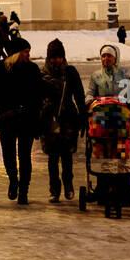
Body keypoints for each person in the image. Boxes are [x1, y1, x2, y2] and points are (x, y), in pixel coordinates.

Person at [0, 36, 48, 204]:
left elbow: (39, 93)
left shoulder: (33, 69)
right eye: (25, 52)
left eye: (29, 52)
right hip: (7, 118)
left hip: (26, 119)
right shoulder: (1, 67)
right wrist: (4, 106)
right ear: (16, 53)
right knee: (8, 155)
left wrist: (34, 110)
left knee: (25, 156)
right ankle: (13, 180)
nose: (28, 55)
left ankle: (24, 190)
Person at [40, 38, 86, 203]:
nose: (56, 60)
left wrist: (83, 117)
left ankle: (68, 184)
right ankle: (54, 188)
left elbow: (79, 96)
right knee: (52, 158)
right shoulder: (42, 74)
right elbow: (37, 98)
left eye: (59, 57)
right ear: (48, 57)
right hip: (49, 120)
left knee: (67, 156)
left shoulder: (70, 72)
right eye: (53, 57)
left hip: (68, 119)